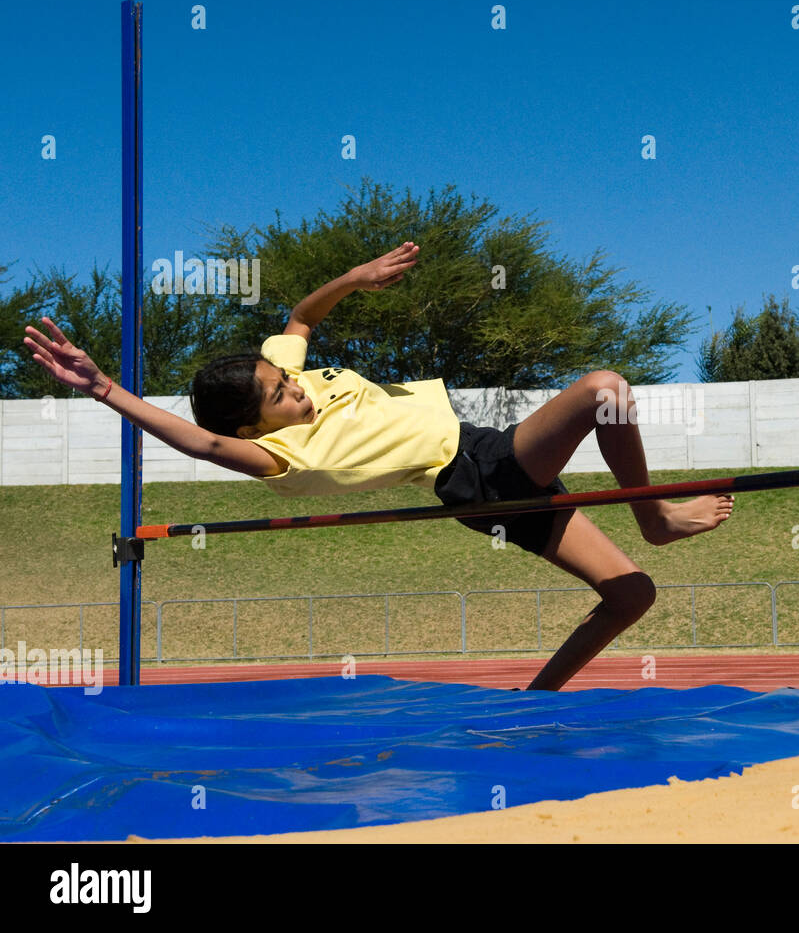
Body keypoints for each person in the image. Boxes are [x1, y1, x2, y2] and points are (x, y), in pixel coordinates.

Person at [23, 242, 734, 691]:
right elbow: (200, 443)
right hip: (474, 474)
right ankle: (657, 518)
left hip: (484, 453)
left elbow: (300, 319)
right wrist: (105, 388)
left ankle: (538, 699)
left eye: (287, 378)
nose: (295, 387)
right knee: (603, 388)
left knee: (631, 596)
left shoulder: (293, 373)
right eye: (279, 394)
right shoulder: (276, 453)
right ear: (251, 425)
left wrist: (354, 280)